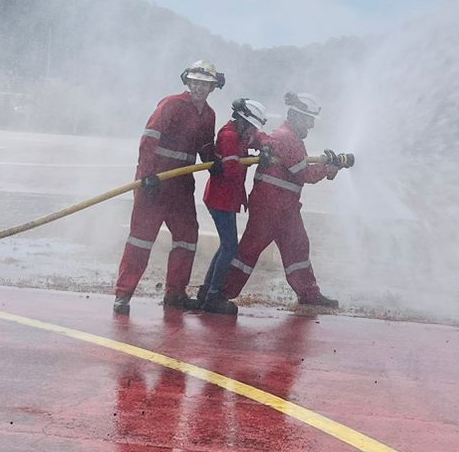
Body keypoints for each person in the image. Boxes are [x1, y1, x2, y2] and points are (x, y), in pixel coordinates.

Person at [111, 60, 222, 314]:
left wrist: (212, 161)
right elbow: (150, 138)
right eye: (195, 82)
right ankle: (123, 295)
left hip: (181, 187)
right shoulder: (171, 105)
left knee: (187, 238)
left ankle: (175, 293)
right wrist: (148, 175)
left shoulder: (209, 115)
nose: (199, 88)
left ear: (212, 87)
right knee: (140, 239)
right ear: (188, 82)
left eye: (205, 84)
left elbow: (205, 145)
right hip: (155, 184)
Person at [217, 93, 345, 310]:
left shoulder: (288, 137)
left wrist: (329, 167)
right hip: (270, 208)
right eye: (309, 119)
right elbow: (305, 174)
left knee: (297, 248)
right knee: (248, 251)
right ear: (296, 116)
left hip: (284, 208)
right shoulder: (287, 138)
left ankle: (308, 293)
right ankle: (220, 292)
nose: (311, 125)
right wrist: (329, 168)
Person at [197, 97, 267, 315]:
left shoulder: (240, 133)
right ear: (243, 122)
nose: (253, 132)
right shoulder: (229, 136)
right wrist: (258, 160)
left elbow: (258, 140)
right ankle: (213, 296)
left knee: (225, 246)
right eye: (252, 127)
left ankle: (207, 291)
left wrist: (268, 146)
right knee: (230, 247)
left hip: (225, 199)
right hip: (221, 200)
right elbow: (231, 171)